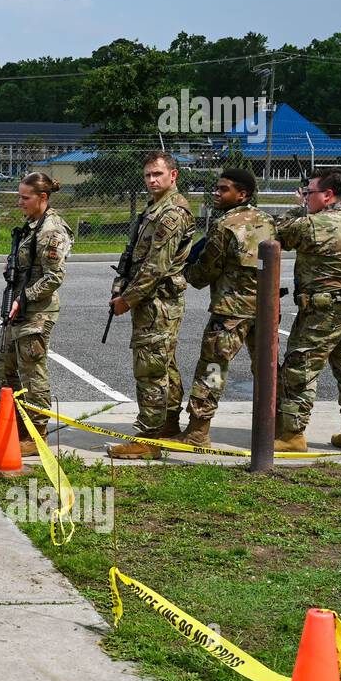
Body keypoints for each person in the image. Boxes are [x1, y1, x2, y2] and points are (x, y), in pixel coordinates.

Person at [273, 168, 341, 452]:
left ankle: (293, 435)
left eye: (309, 192)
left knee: (300, 367)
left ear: (328, 195)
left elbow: (278, 232)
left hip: (319, 313)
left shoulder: (310, 225)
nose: (306, 197)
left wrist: (298, 208)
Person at [106, 151, 195, 459]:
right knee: (163, 364)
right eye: (147, 175)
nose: (152, 180)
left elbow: (156, 267)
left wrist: (126, 300)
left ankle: (148, 439)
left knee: (150, 368)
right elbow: (135, 258)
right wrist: (121, 286)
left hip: (157, 302)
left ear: (174, 175)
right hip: (153, 300)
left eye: (158, 174)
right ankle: (168, 424)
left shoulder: (171, 214)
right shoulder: (155, 209)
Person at [179, 168, 275, 447]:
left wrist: (185, 274)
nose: (216, 193)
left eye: (223, 189)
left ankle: (198, 432)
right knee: (268, 371)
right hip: (266, 308)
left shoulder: (224, 226)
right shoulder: (268, 220)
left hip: (231, 311)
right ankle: (278, 431)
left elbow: (206, 270)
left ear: (241, 194)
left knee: (212, 369)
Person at [0, 172, 73, 456]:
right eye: (19, 196)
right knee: (3, 367)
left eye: (25, 197)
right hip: (18, 309)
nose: (20, 202)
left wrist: (25, 297)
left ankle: (36, 435)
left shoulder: (51, 230)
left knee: (32, 373)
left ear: (43, 197)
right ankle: (16, 426)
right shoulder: (32, 226)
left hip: (37, 312)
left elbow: (54, 276)